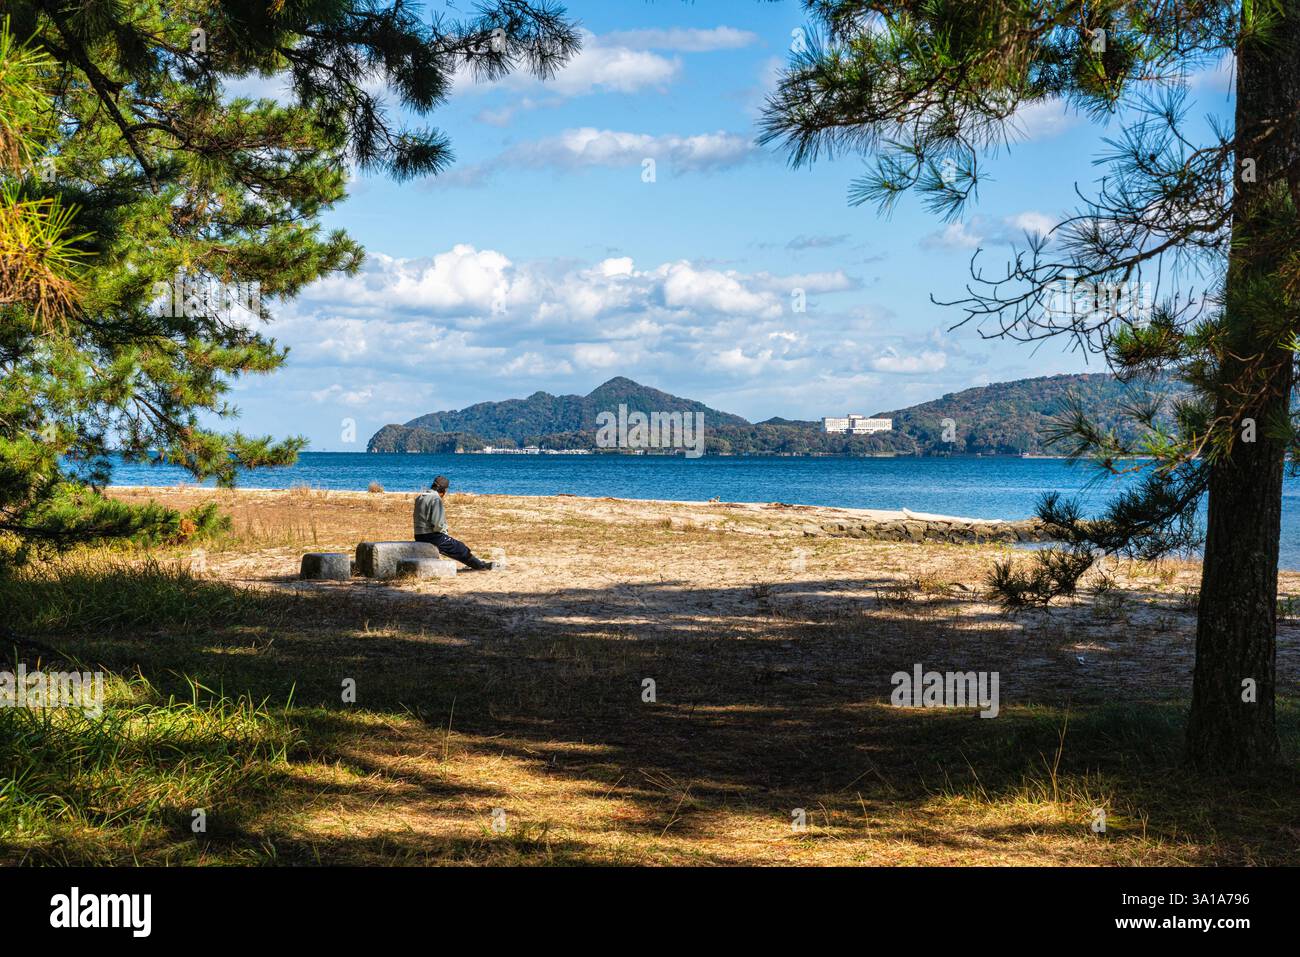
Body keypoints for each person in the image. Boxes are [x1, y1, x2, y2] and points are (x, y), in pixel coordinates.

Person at [413, 475, 494, 570]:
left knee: (454, 546)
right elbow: (438, 524)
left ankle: (478, 564)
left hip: (419, 535)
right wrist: (444, 533)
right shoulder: (436, 499)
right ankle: (480, 566)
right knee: (460, 548)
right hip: (432, 536)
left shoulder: (420, 497)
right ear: (443, 491)